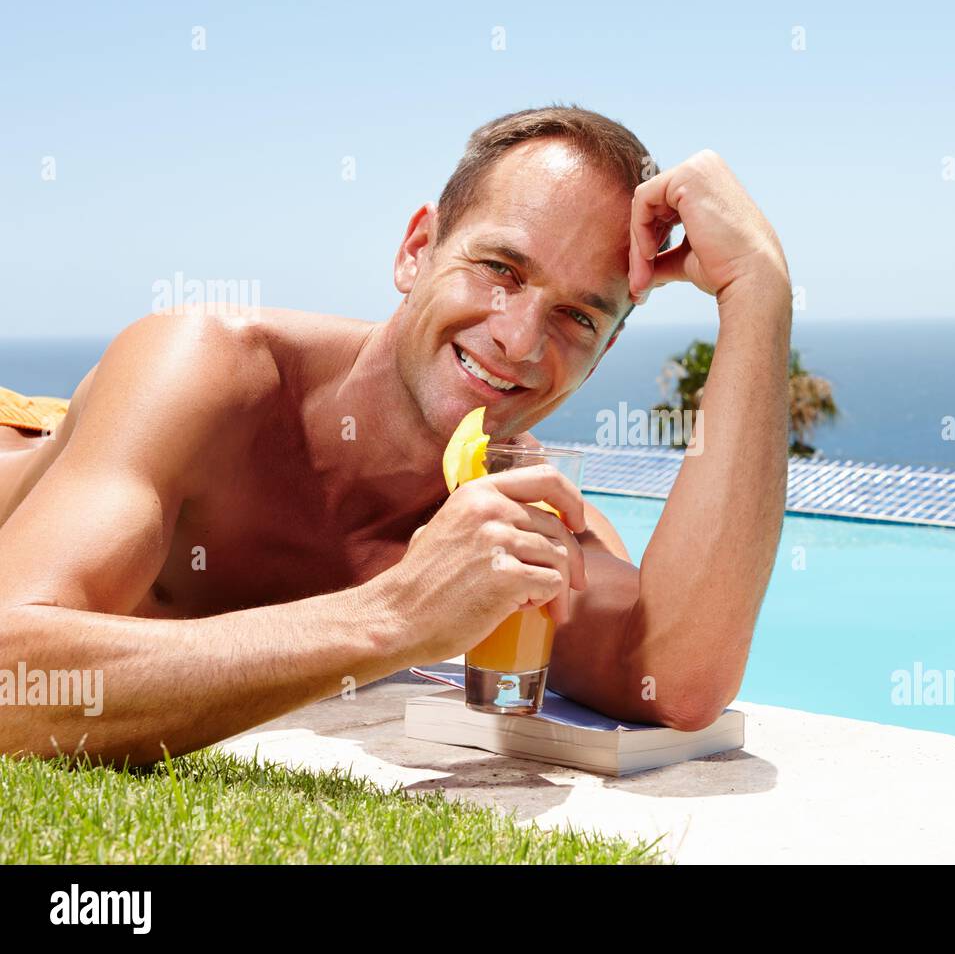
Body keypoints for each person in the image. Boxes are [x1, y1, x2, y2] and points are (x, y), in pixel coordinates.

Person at [0, 105, 792, 765]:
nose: (518, 340)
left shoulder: (513, 514)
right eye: (500, 269)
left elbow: (679, 684)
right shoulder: (207, 370)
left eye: (577, 316)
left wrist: (757, 290)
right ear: (418, 250)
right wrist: (392, 617)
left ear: (605, 350)